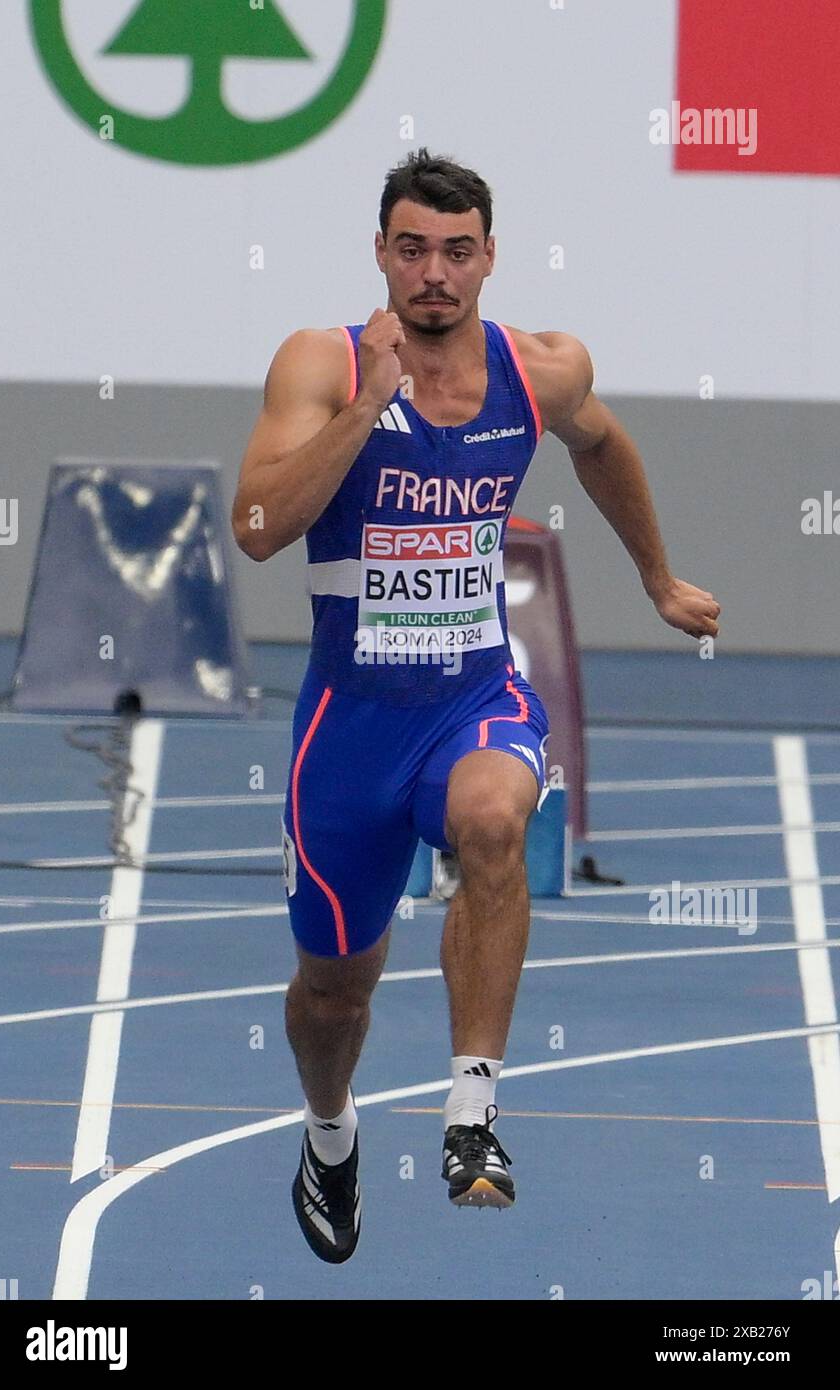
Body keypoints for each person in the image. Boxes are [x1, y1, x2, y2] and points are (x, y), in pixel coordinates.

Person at [232, 148, 720, 1264]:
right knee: (329, 1000)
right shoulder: (321, 363)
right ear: (382, 256)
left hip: (473, 699)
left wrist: (657, 576)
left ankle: (472, 1113)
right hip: (348, 731)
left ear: (490, 258)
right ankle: (330, 1132)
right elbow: (258, 529)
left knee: (500, 821)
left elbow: (603, 445)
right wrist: (368, 406)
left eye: (457, 252)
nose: (435, 275)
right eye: (413, 250)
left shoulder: (537, 368)